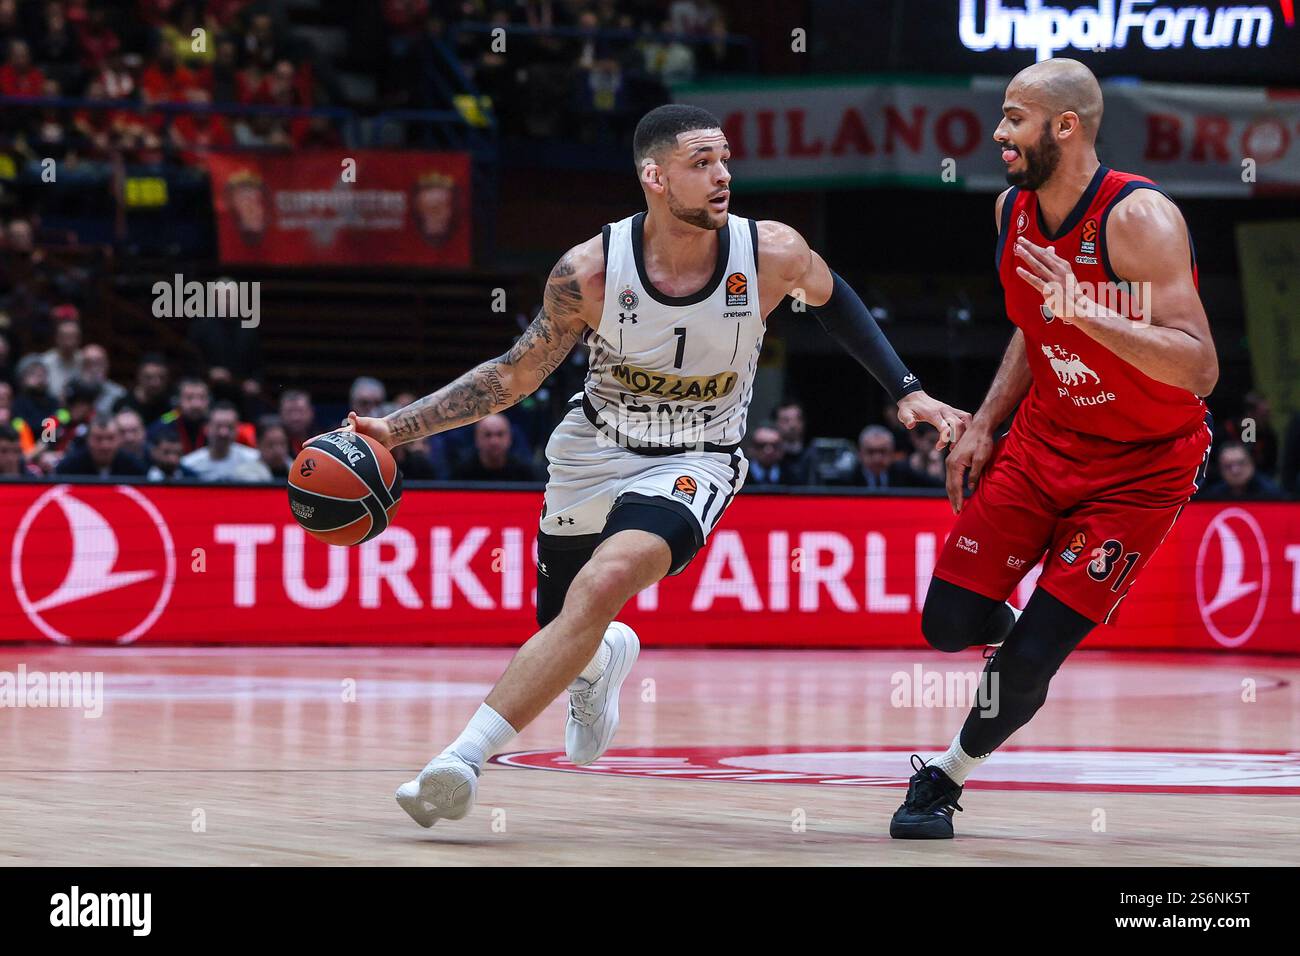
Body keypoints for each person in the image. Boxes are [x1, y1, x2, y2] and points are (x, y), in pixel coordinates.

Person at [343, 104, 970, 828]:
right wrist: (397, 428)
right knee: (564, 624)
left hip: (696, 456)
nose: (723, 174)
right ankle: (599, 662)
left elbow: (839, 303)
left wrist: (908, 392)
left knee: (604, 582)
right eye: (702, 163)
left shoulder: (770, 253)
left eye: (725, 159)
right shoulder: (590, 271)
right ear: (655, 176)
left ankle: (459, 760)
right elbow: (512, 378)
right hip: (593, 448)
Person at [891, 59, 1219, 840]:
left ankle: (944, 776)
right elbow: (1033, 326)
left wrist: (1084, 310)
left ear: (1064, 128)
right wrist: (984, 423)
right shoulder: (1011, 209)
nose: (998, 134)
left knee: (1031, 657)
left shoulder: (1140, 219)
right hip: (1044, 440)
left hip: (1142, 466)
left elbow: (1200, 365)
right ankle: (1026, 642)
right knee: (945, 623)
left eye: (1013, 118)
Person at [179, 402, 269, 481]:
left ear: (238, 429)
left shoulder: (254, 459)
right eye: (218, 426)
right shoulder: (189, 464)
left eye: (229, 427)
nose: (224, 433)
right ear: (206, 428)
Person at [834, 424, 941, 489]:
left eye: (883, 452)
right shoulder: (847, 478)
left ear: (892, 453)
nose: (877, 458)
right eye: (870, 452)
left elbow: (936, 488)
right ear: (860, 453)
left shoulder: (904, 472)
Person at [449, 414, 537, 482]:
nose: (494, 441)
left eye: (500, 434)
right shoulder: (461, 473)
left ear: (510, 438)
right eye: (487, 435)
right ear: (477, 438)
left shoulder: (524, 473)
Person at [55, 416, 148, 477]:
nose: (105, 445)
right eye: (98, 438)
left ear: (119, 439)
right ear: (88, 440)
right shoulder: (68, 468)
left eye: (110, 438)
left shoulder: (135, 468)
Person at [1199, 441, 1285, 501]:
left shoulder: (1272, 495)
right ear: (1220, 469)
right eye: (1228, 466)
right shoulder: (1212, 497)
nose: (1235, 471)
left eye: (1241, 463)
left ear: (1252, 463)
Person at [743, 422, 804, 487]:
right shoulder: (739, 475)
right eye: (761, 445)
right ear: (751, 448)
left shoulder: (793, 476)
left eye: (775, 445)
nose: (768, 450)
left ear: (782, 448)